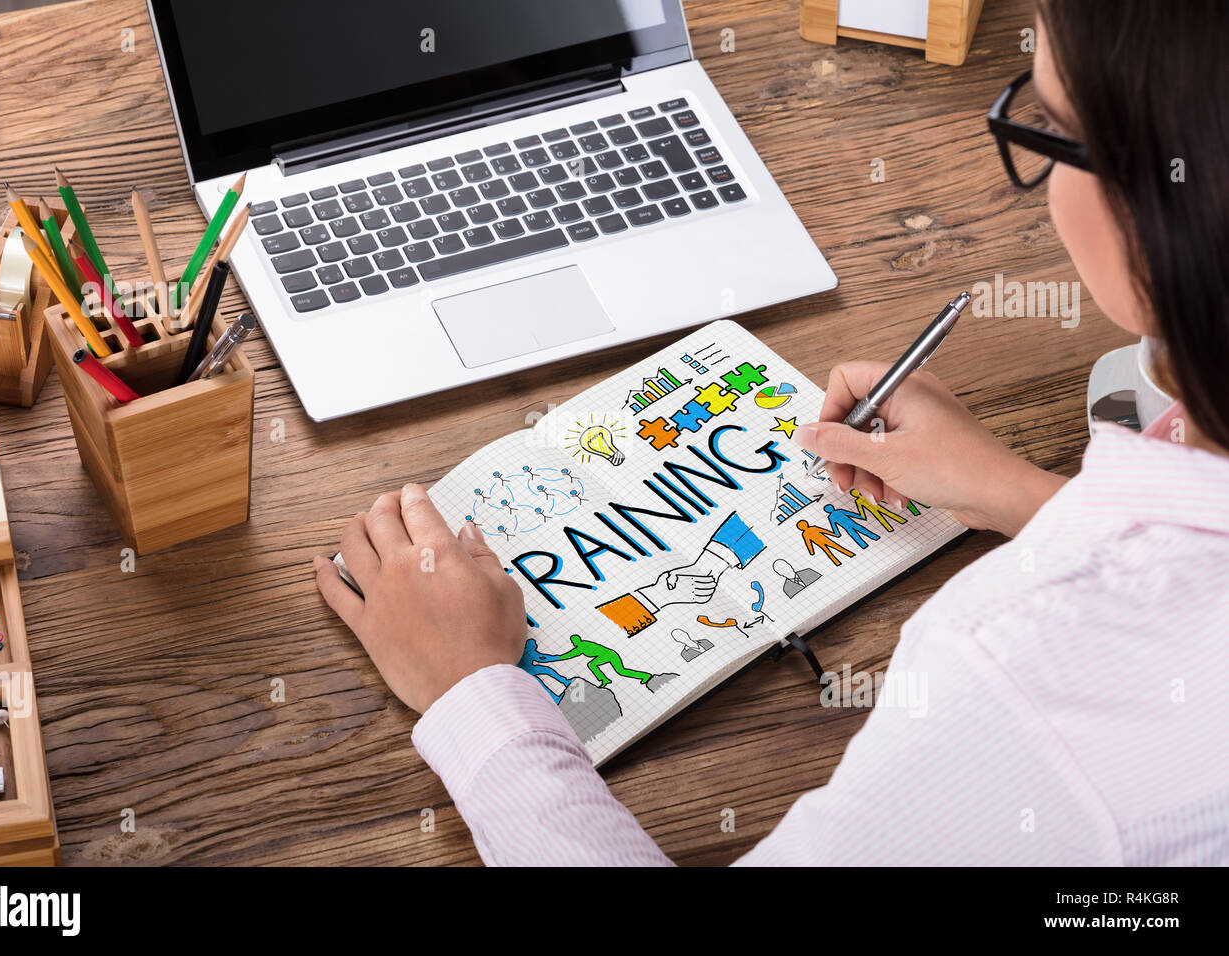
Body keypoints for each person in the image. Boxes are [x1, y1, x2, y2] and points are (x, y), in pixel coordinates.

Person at [314, 0, 1229, 865]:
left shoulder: (1027, 678)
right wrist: (1036, 502)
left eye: (1050, 127)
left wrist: (473, 695)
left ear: (1160, 210)